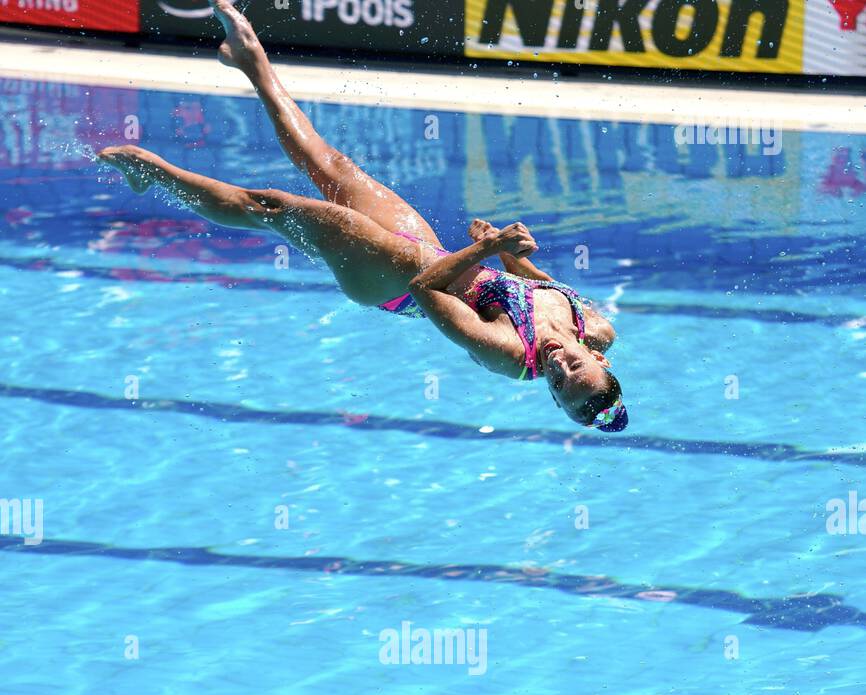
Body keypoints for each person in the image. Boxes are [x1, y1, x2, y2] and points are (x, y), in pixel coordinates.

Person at [96, 2, 627, 432]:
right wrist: (506, 248)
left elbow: (425, 290)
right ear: (600, 361)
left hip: (393, 280)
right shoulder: (597, 328)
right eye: (575, 368)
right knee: (331, 164)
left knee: (275, 208)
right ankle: (249, 57)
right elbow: (531, 286)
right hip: (430, 253)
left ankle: (155, 173)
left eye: (557, 385)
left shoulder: (509, 356)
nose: (559, 367)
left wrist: (487, 251)